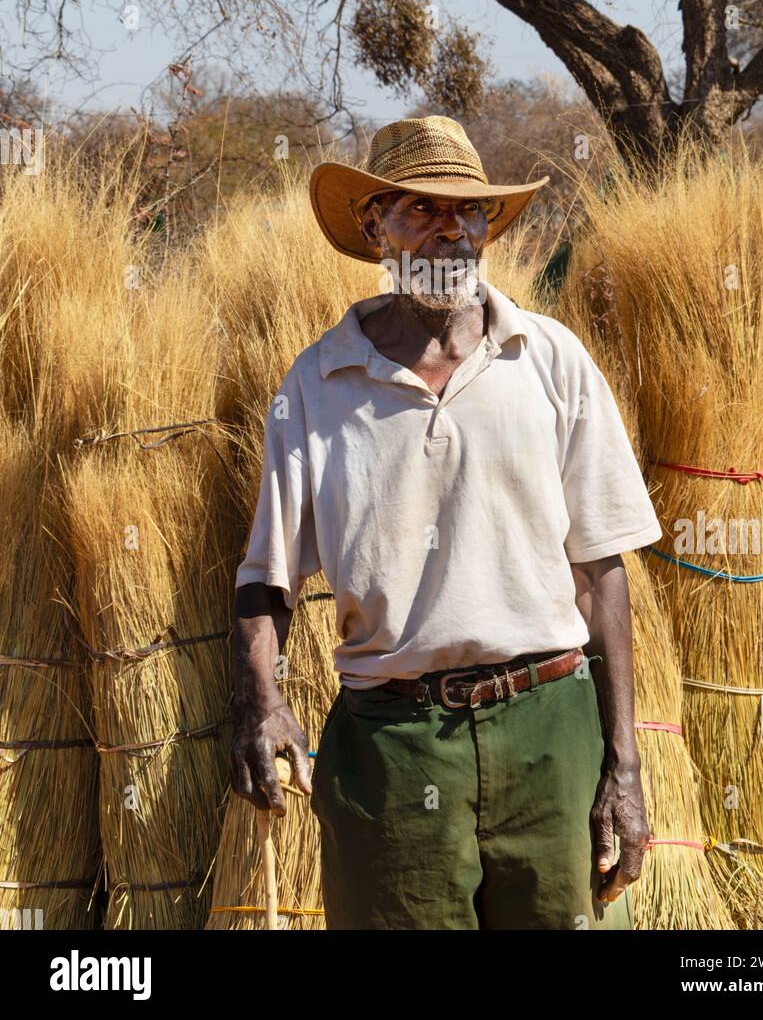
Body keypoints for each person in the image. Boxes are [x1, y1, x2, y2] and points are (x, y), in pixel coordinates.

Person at [229, 115, 662, 930]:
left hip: (548, 730)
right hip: (394, 743)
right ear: (372, 225)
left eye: (469, 212)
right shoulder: (319, 383)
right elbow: (266, 580)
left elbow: (603, 572)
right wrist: (261, 700)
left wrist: (624, 766)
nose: (451, 230)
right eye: (421, 208)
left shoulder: (551, 358)